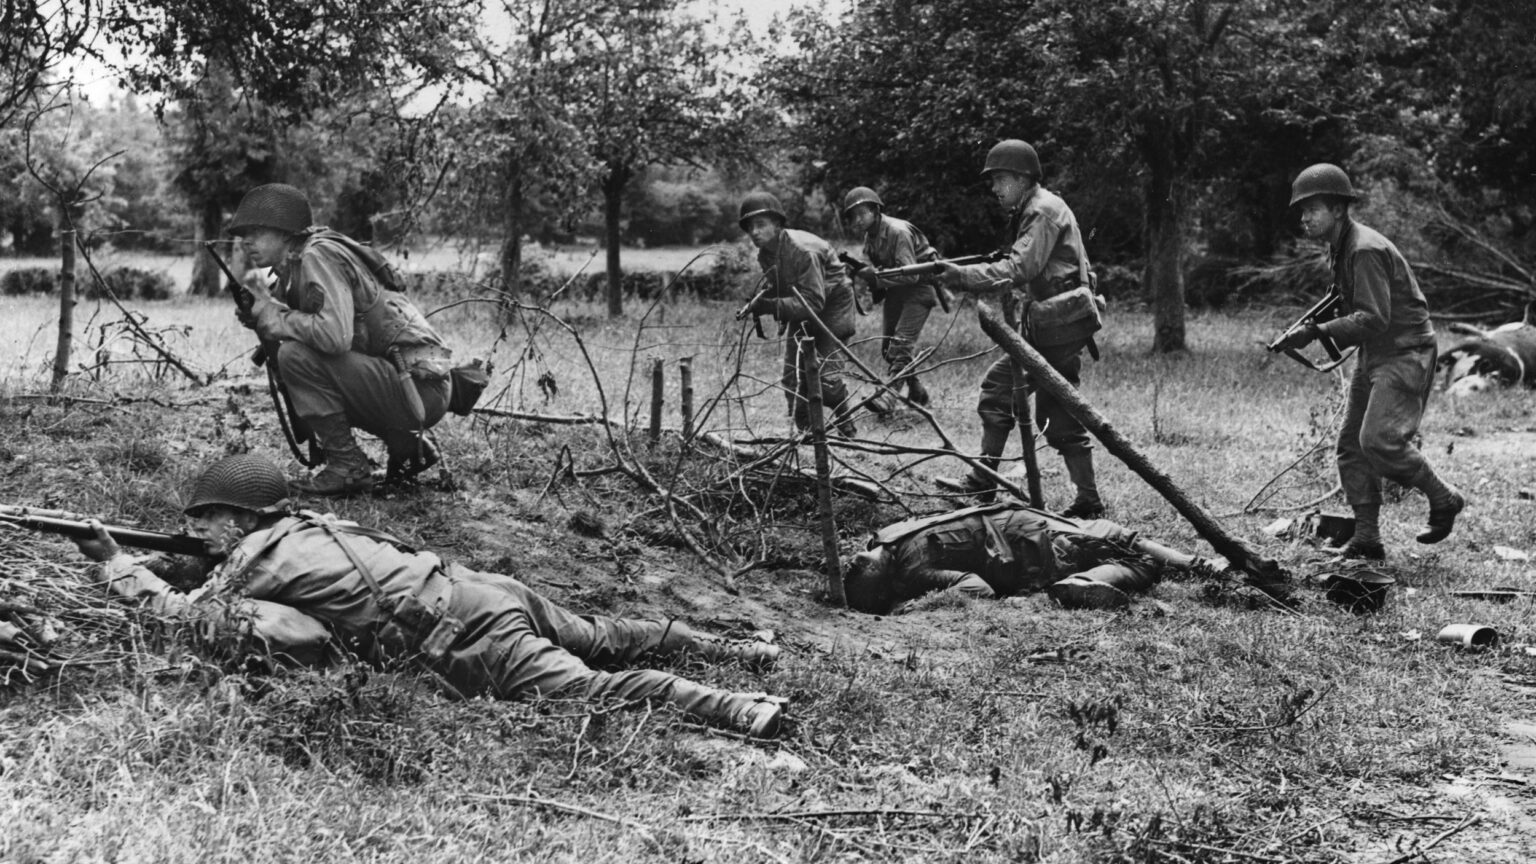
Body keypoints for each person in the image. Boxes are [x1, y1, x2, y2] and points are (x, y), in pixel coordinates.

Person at [72, 454, 787, 739]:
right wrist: (167, 563)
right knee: (603, 632)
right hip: (482, 590)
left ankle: (741, 710)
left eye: (202, 521)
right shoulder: (310, 525)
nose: (188, 530)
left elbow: (190, 617)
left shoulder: (250, 568)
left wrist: (116, 566)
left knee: (597, 688)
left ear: (241, 522)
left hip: (468, 641)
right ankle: (739, 649)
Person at [1272, 163, 1465, 559]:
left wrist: (1318, 332)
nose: (1305, 218)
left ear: (1339, 210)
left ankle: (1443, 497)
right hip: (1376, 352)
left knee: (1378, 441)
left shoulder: (1363, 249)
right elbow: (1351, 306)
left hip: (1405, 352)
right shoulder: (1341, 246)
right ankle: (1367, 539)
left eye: (1313, 209)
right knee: (1350, 447)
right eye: (1302, 211)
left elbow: (1373, 317)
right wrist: (1310, 328)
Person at [228, 183, 452, 496]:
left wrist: (275, 317)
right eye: (242, 234)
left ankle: (348, 466)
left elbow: (334, 338)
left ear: (284, 231)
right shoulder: (293, 267)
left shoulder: (318, 256)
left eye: (255, 231)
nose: (245, 241)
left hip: (418, 388)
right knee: (297, 359)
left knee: (295, 357)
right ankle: (408, 448)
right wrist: (263, 318)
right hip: (408, 383)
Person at [932, 140, 1105, 517]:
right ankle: (1088, 502)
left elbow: (1020, 269)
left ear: (1023, 178)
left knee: (998, 392)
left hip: (1058, 322)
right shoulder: (1037, 207)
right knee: (1057, 413)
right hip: (1060, 320)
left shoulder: (1041, 211)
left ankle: (982, 484)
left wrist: (962, 276)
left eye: (1000, 179)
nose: (994, 189)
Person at [843, 502, 1223, 615]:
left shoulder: (906, 565)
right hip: (1026, 532)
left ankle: (1090, 581)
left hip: (1027, 541)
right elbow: (977, 586)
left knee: (1131, 549)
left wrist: (914, 598)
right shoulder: (890, 535)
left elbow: (977, 588)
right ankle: (1198, 565)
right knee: (1133, 551)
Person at [737, 191, 859, 437]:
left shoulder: (804, 250)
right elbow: (784, 287)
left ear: (778, 224)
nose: (754, 232)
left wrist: (769, 306)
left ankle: (847, 425)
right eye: (750, 227)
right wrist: (762, 299)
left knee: (825, 381)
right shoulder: (766, 254)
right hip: (803, 303)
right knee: (792, 378)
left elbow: (812, 302)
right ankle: (806, 433)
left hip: (833, 306)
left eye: (761, 225)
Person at [842, 186, 943, 409]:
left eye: (862, 213)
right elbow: (875, 269)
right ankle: (918, 392)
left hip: (919, 289)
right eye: (853, 216)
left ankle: (888, 397)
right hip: (897, 291)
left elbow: (912, 274)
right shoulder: (871, 236)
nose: (858, 220)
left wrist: (876, 279)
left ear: (876, 210)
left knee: (901, 346)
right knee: (889, 349)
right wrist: (863, 275)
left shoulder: (898, 231)